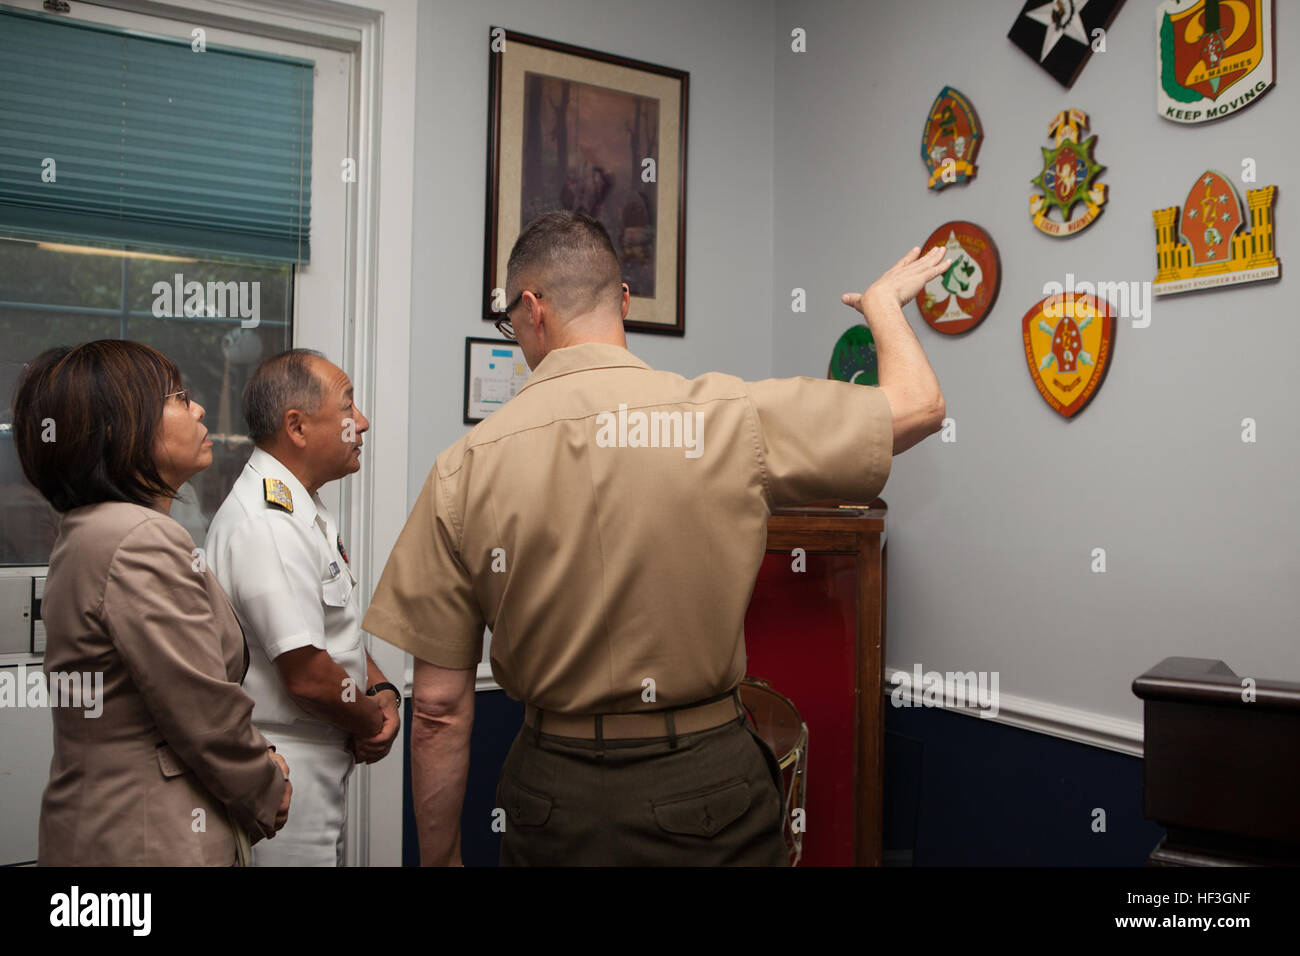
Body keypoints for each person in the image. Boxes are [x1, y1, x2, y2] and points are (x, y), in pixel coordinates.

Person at [363, 211, 949, 866]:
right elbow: (920, 405)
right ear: (622, 301)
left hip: (554, 797)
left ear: (532, 310)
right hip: (708, 789)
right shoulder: (730, 417)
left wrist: (440, 861)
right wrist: (881, 308)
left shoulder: (462, 468)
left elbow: (438, 710)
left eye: (510, 325)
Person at [11, 340, 292, 866]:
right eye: (179, 398)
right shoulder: (137, 537)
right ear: (121, 429)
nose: (200, 409)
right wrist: (267, 780)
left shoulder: (94, 528)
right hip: (150, 839)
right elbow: (203, 709)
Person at [205, 349, 400, 866]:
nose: (362, 422)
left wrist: (381, 689)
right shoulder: (268, 522)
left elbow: (334, 635)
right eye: (347, 406)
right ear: (296, 426)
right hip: (287, 767)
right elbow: (308, 674)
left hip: (316, 751)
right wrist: (371, 720)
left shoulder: (301, 506)